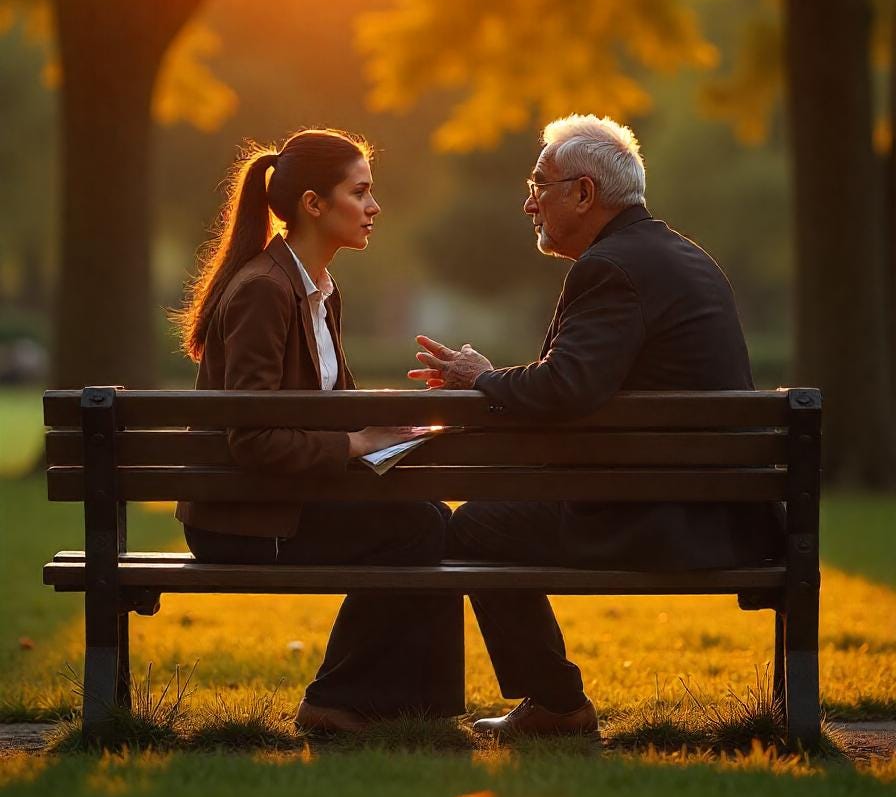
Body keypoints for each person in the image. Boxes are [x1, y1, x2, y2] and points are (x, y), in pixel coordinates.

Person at [409, 113, 782, 739]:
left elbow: (566, 386)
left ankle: (556, 704)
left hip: (662, 520)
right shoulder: (679, 255)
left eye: (539, 183)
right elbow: (581, 383)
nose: (528, 201)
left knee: (474, 526)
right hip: (715, 511)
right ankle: (552, 702)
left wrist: (483, 378)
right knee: (488, 518)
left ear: (584, 193)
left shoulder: (611, 267)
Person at [173, 127, 464, 734]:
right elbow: (250, 438)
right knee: (417, 527)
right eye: (359, 193)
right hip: (245, 522)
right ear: (313, 204)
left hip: (286, 503)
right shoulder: (263, 293)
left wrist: (397, 425)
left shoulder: (318, 291)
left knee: (430, 516)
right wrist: (355, 444)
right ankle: (340, 701)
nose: (374, 207)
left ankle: (416, 711)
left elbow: (337, 403)